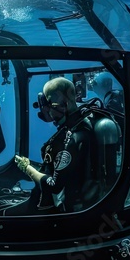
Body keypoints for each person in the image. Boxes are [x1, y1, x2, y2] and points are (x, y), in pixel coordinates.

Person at [14, 77, 100, 213]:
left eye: (50, 106)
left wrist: (27, 168)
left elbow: (54, 185)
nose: (49, 112)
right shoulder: (82, 126)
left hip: (66, 213)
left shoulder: (74, 137)